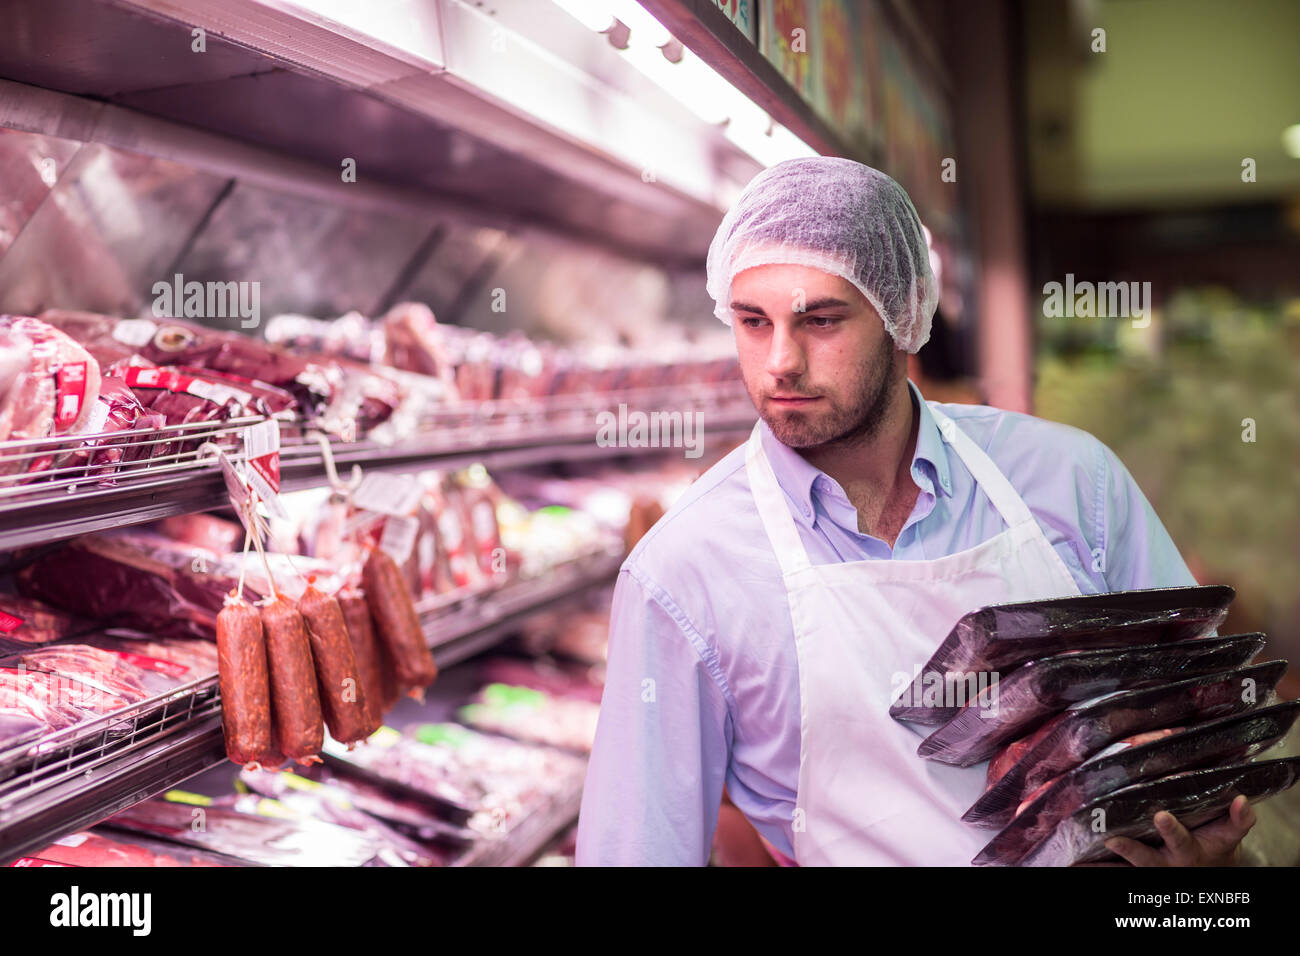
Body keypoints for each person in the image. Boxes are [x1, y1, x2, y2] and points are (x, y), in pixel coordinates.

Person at [574, 157, 1256, 866]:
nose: (780, 361)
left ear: (902, 314)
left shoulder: (1072, 482)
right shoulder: (683, 573)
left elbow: (1199, 724)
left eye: (820, 320)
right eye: (753, 322)